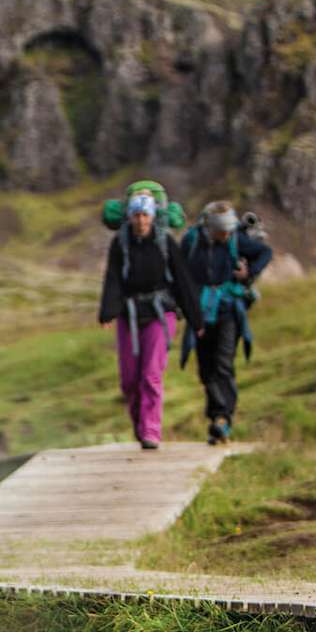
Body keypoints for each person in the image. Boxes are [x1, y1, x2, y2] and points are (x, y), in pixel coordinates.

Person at [99, 191, 202, 450]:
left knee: (151, 375)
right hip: (129, 315)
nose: (141, 220)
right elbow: (113, 278)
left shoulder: (165, 242)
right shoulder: (120, 244)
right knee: (129, 380)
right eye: (136, 214)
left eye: (145, 215)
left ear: (153, 217)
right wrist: (108, 311)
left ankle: (151, 431)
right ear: (130, 216)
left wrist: (195, 318)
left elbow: (183, 281)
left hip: (160, 313)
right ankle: (140, 425)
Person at [181, 201, 273, 445]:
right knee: (205, 368)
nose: (226, 235)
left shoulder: (235, 240)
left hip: (229, 311)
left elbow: (266, 253)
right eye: (222, 231)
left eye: (229, 230)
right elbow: (179, 270)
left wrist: (249, 272)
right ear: (209, 227)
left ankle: (223, 418)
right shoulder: (191, 242)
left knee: (224, 364)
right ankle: (216, 417)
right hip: (199, 312)